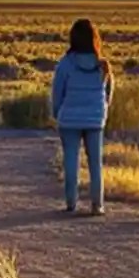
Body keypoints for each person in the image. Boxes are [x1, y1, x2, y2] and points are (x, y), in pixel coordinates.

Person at [51, 18, 113, 215]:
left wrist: (57, 113)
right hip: (95, 119)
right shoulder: (103, 66)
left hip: (69, 119)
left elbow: (57, 93)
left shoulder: (65, 64)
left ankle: (71, 203)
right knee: (95, 162)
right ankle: (97, 205)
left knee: (71, 161)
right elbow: (108, 93)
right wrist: (102, 109)